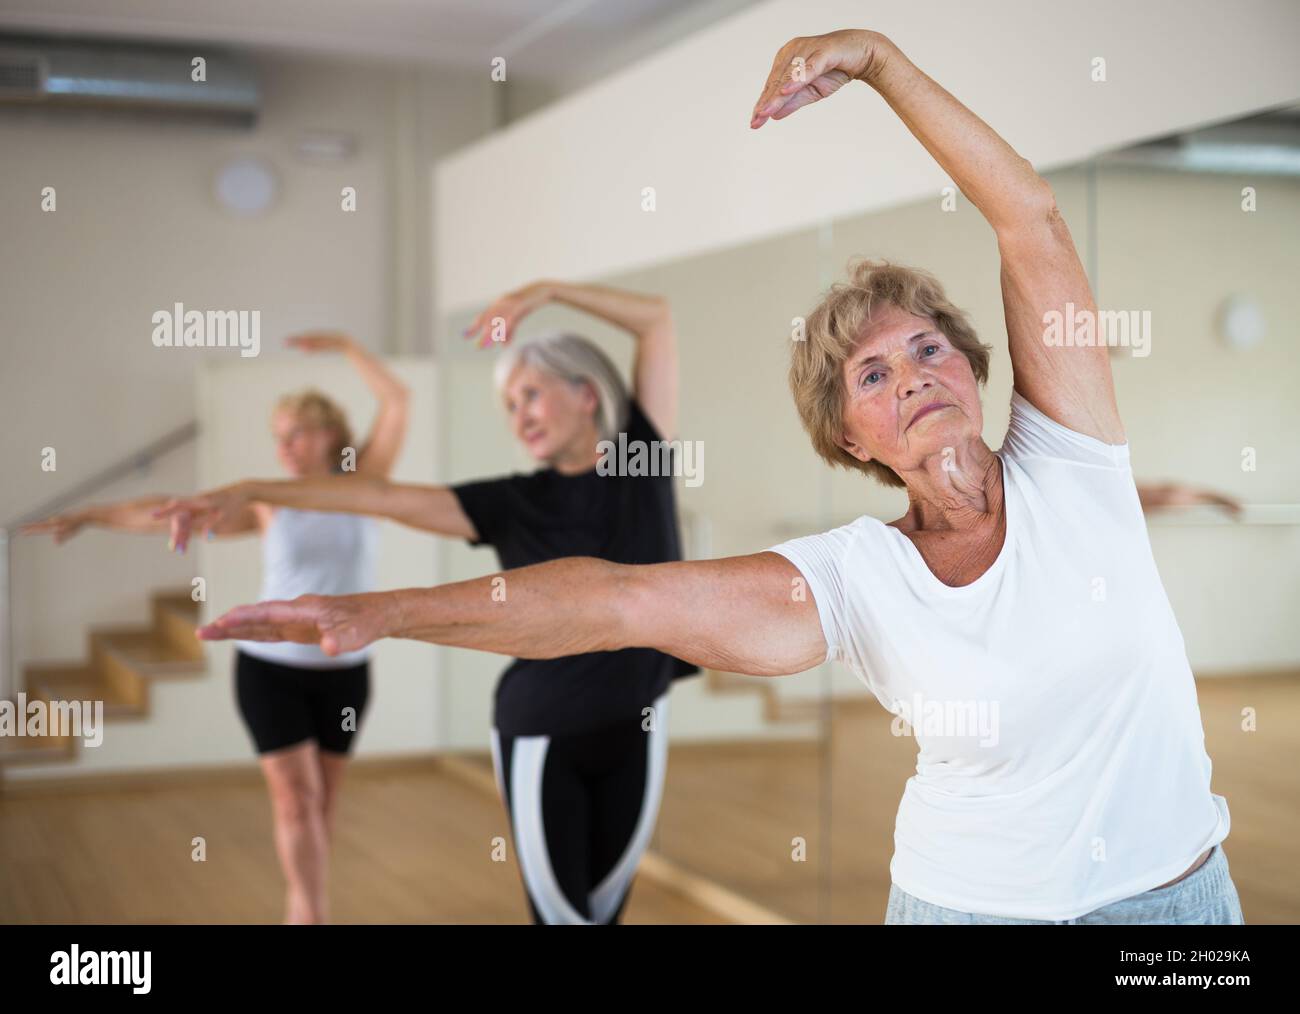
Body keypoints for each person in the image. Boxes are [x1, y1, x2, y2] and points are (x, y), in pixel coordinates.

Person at [193, 28, 1246, 925]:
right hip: (969, 904)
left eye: (928, 350)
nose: (912, 378)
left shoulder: (1073, 457)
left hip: (1180, 903)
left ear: (974, 368)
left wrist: (881, 62)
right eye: (871, 375)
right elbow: (617, 598)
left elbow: (1031, 224)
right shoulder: (856, 577)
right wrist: (383, 611)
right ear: (851, 439)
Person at [155, 280, 699, 925]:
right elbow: (379, 497)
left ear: (585, 394)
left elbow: (656, 319)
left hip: (640, 720)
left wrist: (545, 292)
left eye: (529, 393)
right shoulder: (509, 503)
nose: (517, 412)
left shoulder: (642, 460)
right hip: (542, 730)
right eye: (508, 402)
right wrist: (248, 490)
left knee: (606, 915)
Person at [24, 332, 408, 925]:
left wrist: (346, 345)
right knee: (297, 801)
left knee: (322, 806)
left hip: (345, 674)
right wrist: (91, 514)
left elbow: (398, 401)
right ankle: (310, 914)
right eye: (276, 436)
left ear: (331, 433)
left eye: (295, 433)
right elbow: (170, 510)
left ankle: (301, 904)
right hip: (269, 671)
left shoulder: (365, 485)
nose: (283, 447)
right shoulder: (264, 501)